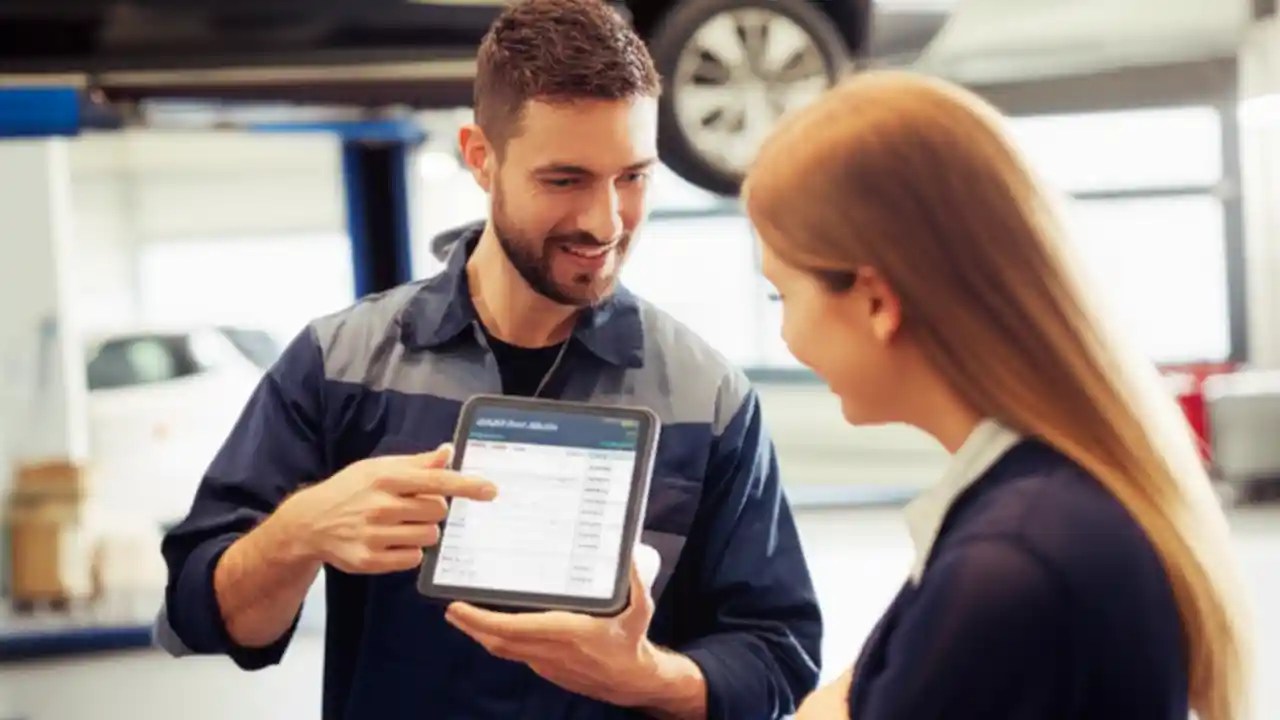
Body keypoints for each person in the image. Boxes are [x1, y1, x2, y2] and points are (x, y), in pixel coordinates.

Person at [152, 1, 822, 718]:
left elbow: (778, 657)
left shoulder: (706, 398)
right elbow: (198, 617)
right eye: (564, 180)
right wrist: (299, 531)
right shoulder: (341, 364)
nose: (605, 221)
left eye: (632, 177)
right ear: (480, 157)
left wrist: (647, 677)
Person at [742, 70, 1252, 720]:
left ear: (875, 300)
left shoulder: (1007, 567)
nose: (787, 335)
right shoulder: (1052, 508)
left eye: (782, 295)